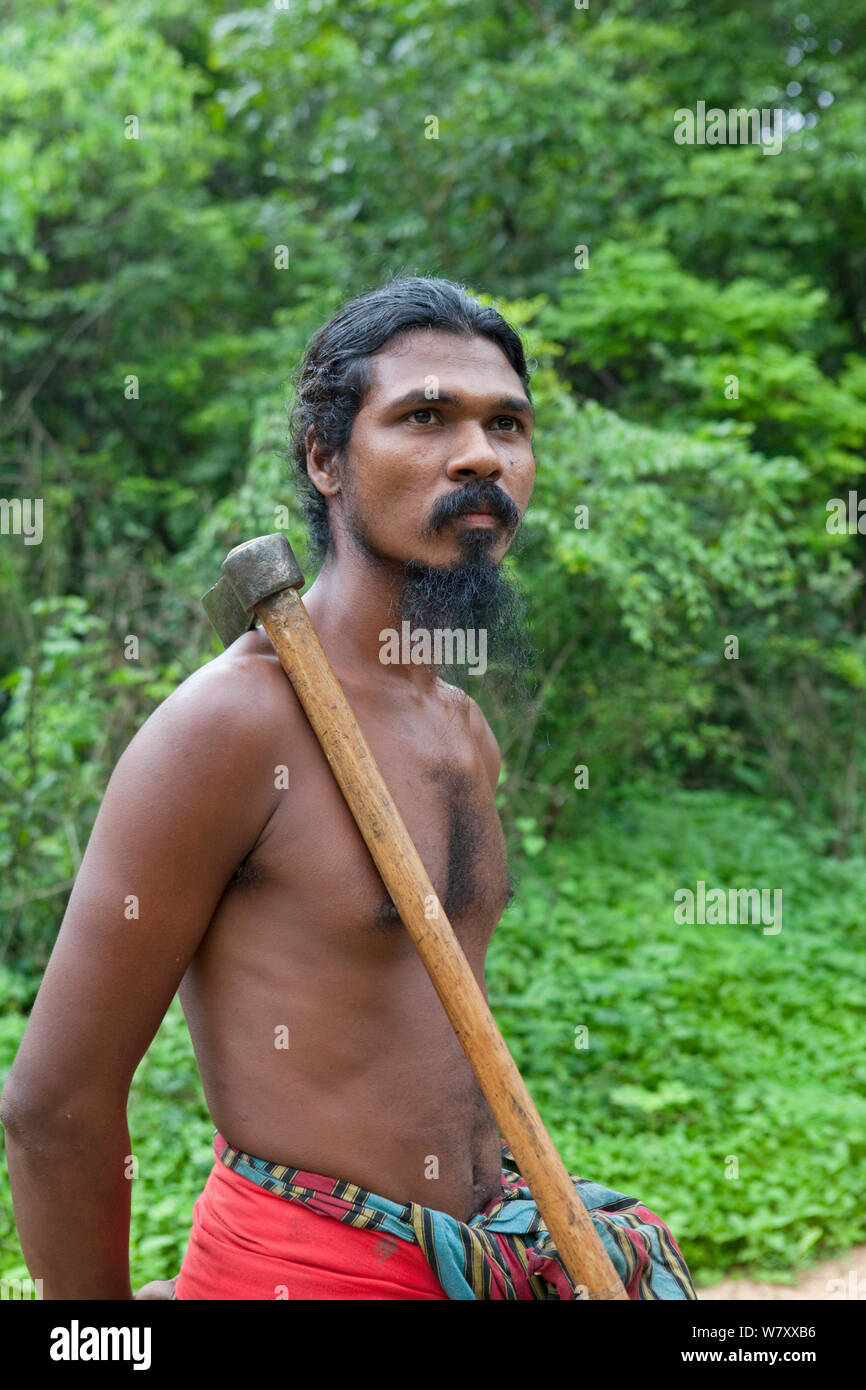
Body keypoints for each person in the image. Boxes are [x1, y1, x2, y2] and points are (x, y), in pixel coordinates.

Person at [1, 275, 696, 1300]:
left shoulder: (460, 728)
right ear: (325, 459)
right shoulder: (231, 725)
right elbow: (55, 1102)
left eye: (506, 424)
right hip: (308, 1271)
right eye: (424, 417)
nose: (478, 455)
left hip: (479, 1254)